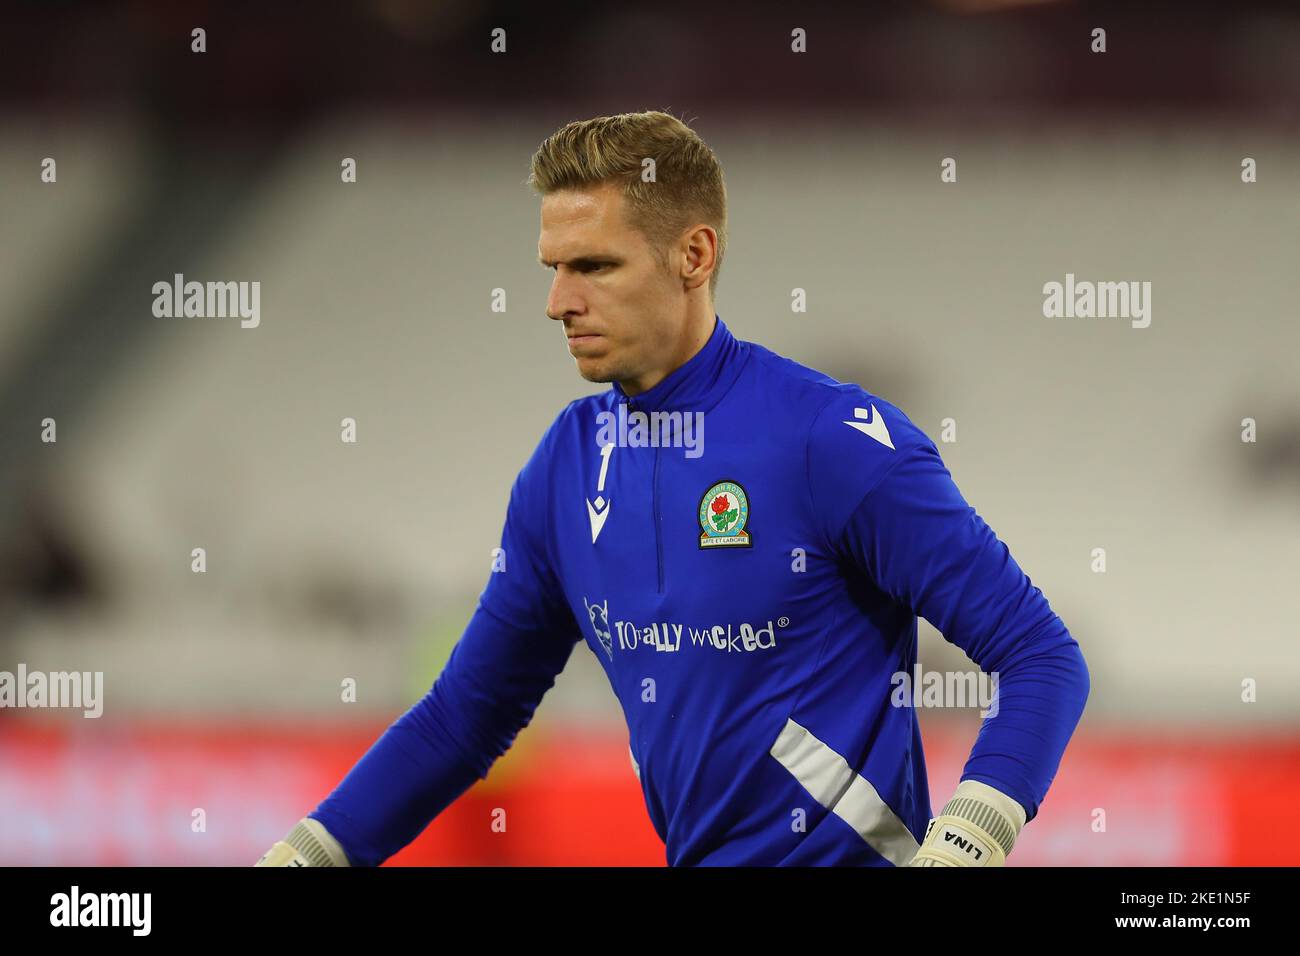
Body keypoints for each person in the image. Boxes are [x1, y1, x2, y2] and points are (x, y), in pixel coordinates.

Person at [256, 110, 1088, 868]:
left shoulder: (827, 441)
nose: (556, 302)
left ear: (694, 255)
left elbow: (1042, 657)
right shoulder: (564, 467)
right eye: (553, 268)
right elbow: (462, 719)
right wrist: (304, 857)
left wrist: (967, 844)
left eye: (593, 266)